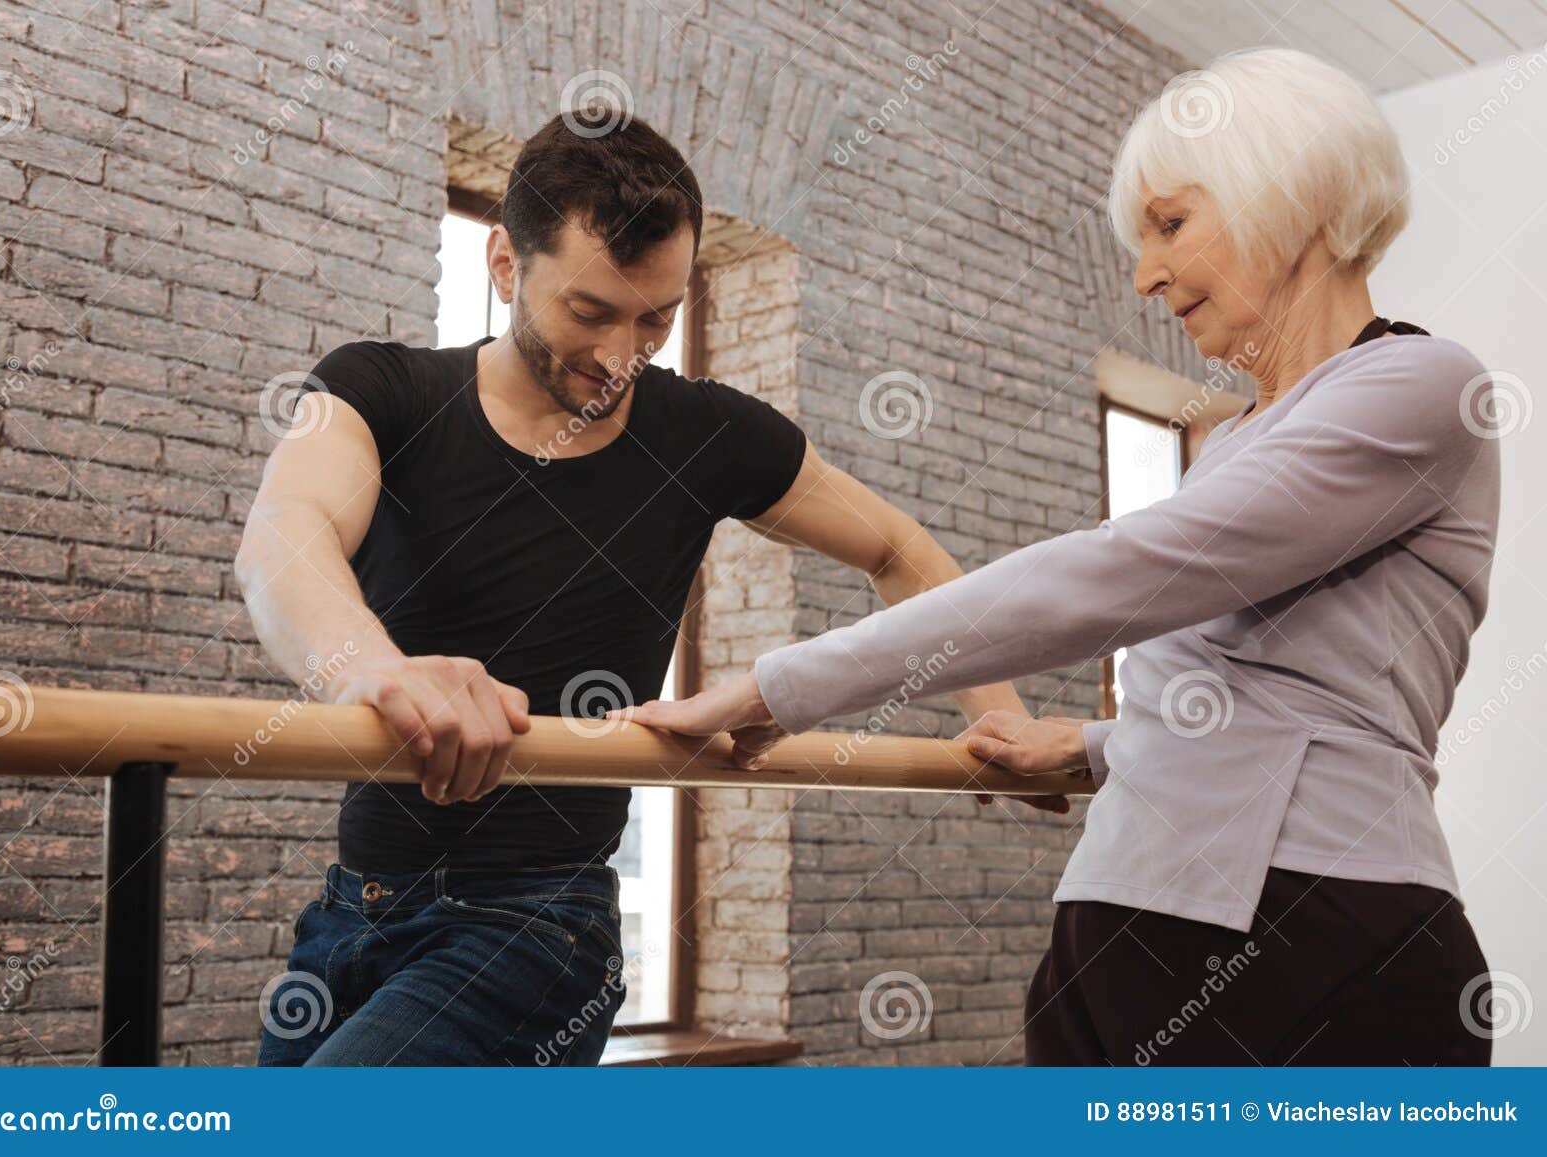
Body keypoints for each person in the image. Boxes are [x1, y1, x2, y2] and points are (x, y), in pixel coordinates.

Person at [613, 49, 1500, 1065]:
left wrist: (770, 687)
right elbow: (1269, 689)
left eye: (1170, 224)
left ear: (1290, 197)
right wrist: (1090, 744)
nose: (1144, 274)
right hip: (1125, 917)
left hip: (1314, 932)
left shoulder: (1421, 388)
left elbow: (1121, 573)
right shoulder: (1240, 436)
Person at [239, 109, 1040, 1066]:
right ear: (504, 263)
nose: (624, 354)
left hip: (536, 926)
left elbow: (898, 548)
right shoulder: (384, 390)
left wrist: (1007, 719)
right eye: (591, 313)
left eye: (656, 318)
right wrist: (372, 672)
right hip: (350, 909)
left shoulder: (706, 434)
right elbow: (286, 537)